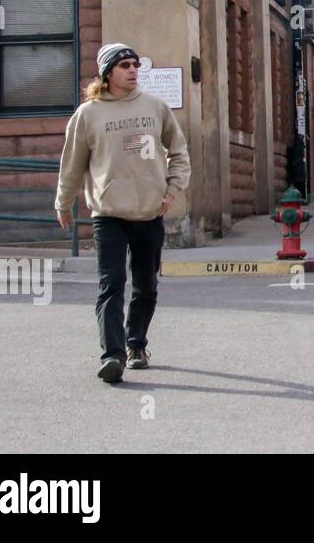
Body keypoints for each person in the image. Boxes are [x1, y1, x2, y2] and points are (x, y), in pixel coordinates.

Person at [56, 43, 191, 385]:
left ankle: (136, 345)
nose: (133, 70)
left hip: (149, 212)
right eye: (124, 66)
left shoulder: (155, 107)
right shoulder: (88, 115)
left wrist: (172, 189)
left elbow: (179, 152)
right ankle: (112, 356)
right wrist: (64, 201)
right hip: (108, 214)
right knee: (111, 285)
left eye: (135, 65)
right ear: (107, 74)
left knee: (146, 286)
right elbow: (72, 164)